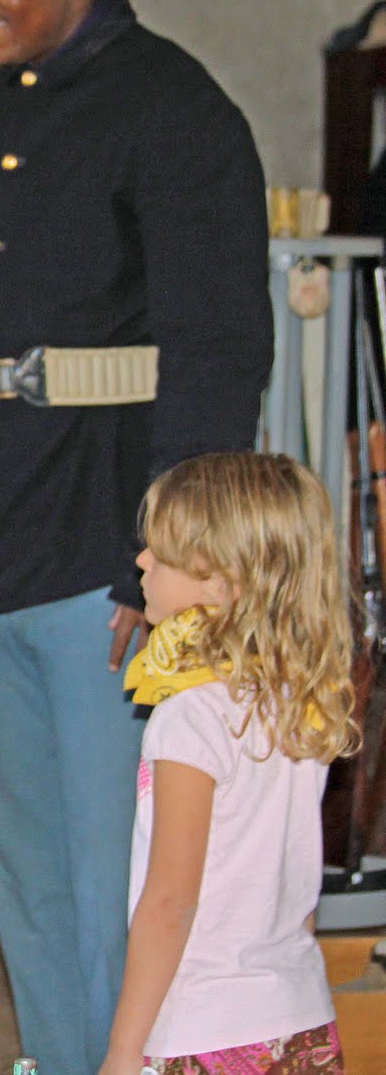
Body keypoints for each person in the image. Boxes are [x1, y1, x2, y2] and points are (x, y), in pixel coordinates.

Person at [0, 0, 274, 1073]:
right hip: (0, 544)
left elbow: (216, 353)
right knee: (34, 882)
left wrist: (164, 565)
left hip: (113, 554)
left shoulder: (174, 107)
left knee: (127, 880)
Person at [102, 453, 355, 1075]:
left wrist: (122, 1053)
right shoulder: (299, 699)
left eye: (161, 555)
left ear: (220, 584)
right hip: (300, 1015)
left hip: (205, 1030)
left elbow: (169, 903)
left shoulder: (192, 717)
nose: (142, 562)